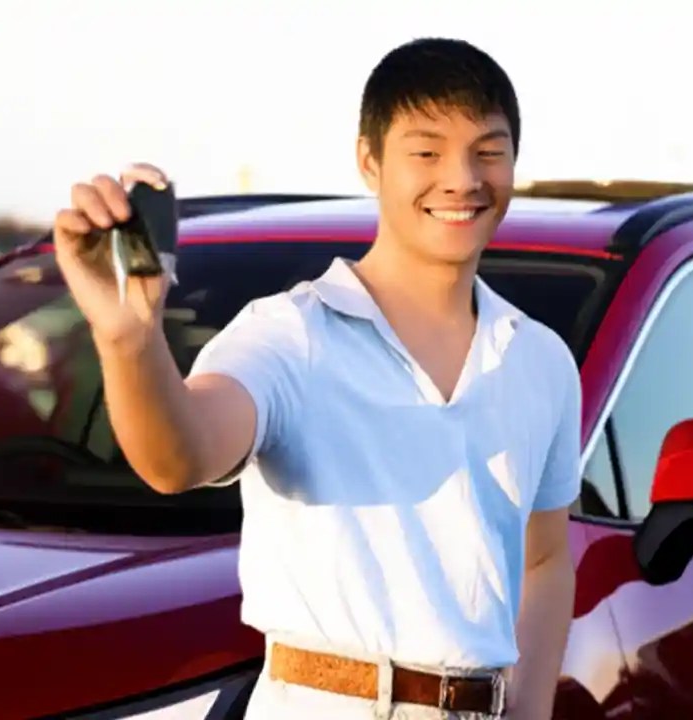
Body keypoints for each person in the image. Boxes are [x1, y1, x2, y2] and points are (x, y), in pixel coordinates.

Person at [51, 37, 578, 719]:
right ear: (370, 160)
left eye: (488, 151)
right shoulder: (292, 334)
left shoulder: (539, 359)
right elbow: (177, 456)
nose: (462, 179)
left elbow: (545, 560)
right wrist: (128, 339)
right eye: (425, 151)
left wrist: (529, 711)